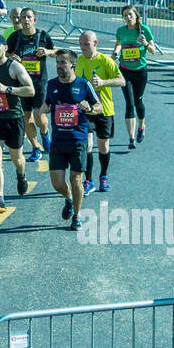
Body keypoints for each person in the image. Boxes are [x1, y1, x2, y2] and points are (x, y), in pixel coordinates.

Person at [44, 49, 100, 230]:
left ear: (72, 65)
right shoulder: (51, 84)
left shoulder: (83, 85)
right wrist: (42, 110)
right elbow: (46, 103)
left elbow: (99, 107)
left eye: (63, 62)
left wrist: (89, 108)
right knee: (57, 183)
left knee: (76, 179)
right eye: (57, 62)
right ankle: (68, 198)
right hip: (58, 140)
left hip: (78, 140)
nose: (59, 66)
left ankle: (77, 215)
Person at [0, 34, 34, 213]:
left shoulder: (14, 67)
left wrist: (8, 89)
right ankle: (0, 198)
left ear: (5, 48)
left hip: (13, 118)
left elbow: (30, 90)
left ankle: (21, 174)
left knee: (17, 159)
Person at [75, 31, 125, 195]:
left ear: (95, 43)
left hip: (104, 110)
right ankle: (88, 180)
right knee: (88, 144)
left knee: (103, 146)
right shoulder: (80, 61)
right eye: (81, 44)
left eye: (86, 44)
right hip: (86, 110)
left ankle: (104, 175)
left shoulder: (105, 60)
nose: (83, 47)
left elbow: (121, 80)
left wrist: (104, 82)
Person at [6, 7, 55, 162]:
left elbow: (56, 51)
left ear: (35, 20)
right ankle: (35, 148)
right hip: (22, 83)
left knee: (39, 115)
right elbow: (5, 53)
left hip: (40, 82)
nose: (25, 20)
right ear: (19, 20)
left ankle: (45, 133)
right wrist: (12, 57)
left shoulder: (43, 36)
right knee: (26, 118)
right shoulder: (15, 37)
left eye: (29, 17)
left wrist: (47, 52)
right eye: (23, 17)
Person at [113, 5, 157, 149]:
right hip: (125, 70)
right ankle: (131, 138)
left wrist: (144, 43)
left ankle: (142, 125)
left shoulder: (144, 29)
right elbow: (118, 44)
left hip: (140, 70)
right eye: (125, 15)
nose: (128, 17)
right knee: (129, 103)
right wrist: (115, 53)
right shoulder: (121, 31)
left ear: (136, 15)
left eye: (130, 15)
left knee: (138, 101)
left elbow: (153, 50)